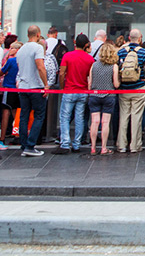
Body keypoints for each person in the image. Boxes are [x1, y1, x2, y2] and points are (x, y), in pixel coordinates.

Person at [51, 34, 93, 154]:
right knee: (79, 118)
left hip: (69, 90)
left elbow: (62, 73)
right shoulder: (89, 59)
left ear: (75, 43)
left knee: (65, 117)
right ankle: (76, 144)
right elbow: (90, 76)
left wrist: (63, 87)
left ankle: (65, 143)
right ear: (86, 45)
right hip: (83, 91)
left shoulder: (67, 56)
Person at [13, 25, 48, 157]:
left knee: (24, 116)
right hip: (35, 86)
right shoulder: (38, 48)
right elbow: (40, 67)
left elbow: (19, 67)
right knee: (39, 115)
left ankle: (24, 144)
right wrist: (46, 84)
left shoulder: (21, 49)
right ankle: (30, 144)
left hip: (23, 86)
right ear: (38, 34)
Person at [87, 33, 120, 155]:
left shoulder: (94, 65)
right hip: (109, 96)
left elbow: (89, 83)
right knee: (105, 122)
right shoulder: (114, 66)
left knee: (94, 122)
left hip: (94, 96)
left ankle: (93, 147)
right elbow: (116, 84)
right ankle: (104, 148)